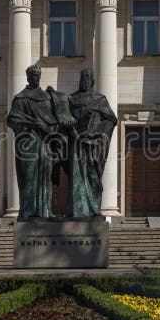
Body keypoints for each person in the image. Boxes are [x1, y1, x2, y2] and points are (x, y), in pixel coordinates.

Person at [6, 64, 74, 219]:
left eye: (37, 75)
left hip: (45, 144)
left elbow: (54, 120)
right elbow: (12, 119)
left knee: (45, 178)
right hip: (29, 144)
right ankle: (29, 212)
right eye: (32, 75)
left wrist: (54, 129)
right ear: (28, 77)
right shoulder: (21, 98)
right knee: (29, 177)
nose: (35, 78)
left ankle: (45, 211)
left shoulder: (47, 98)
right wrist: (30, 125)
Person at [64, 68, 117, 218]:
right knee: (76, 177)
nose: (85, 79)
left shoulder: (100, 99)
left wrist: (95, 132)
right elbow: (64, 118)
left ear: (93, 81)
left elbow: (111, 120)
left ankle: (94, 209)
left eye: (88, 77)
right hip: (76, 142)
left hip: (94, 145)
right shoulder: (71, 99)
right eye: (83, 77)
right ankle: (76, 210)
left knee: (94, 176)